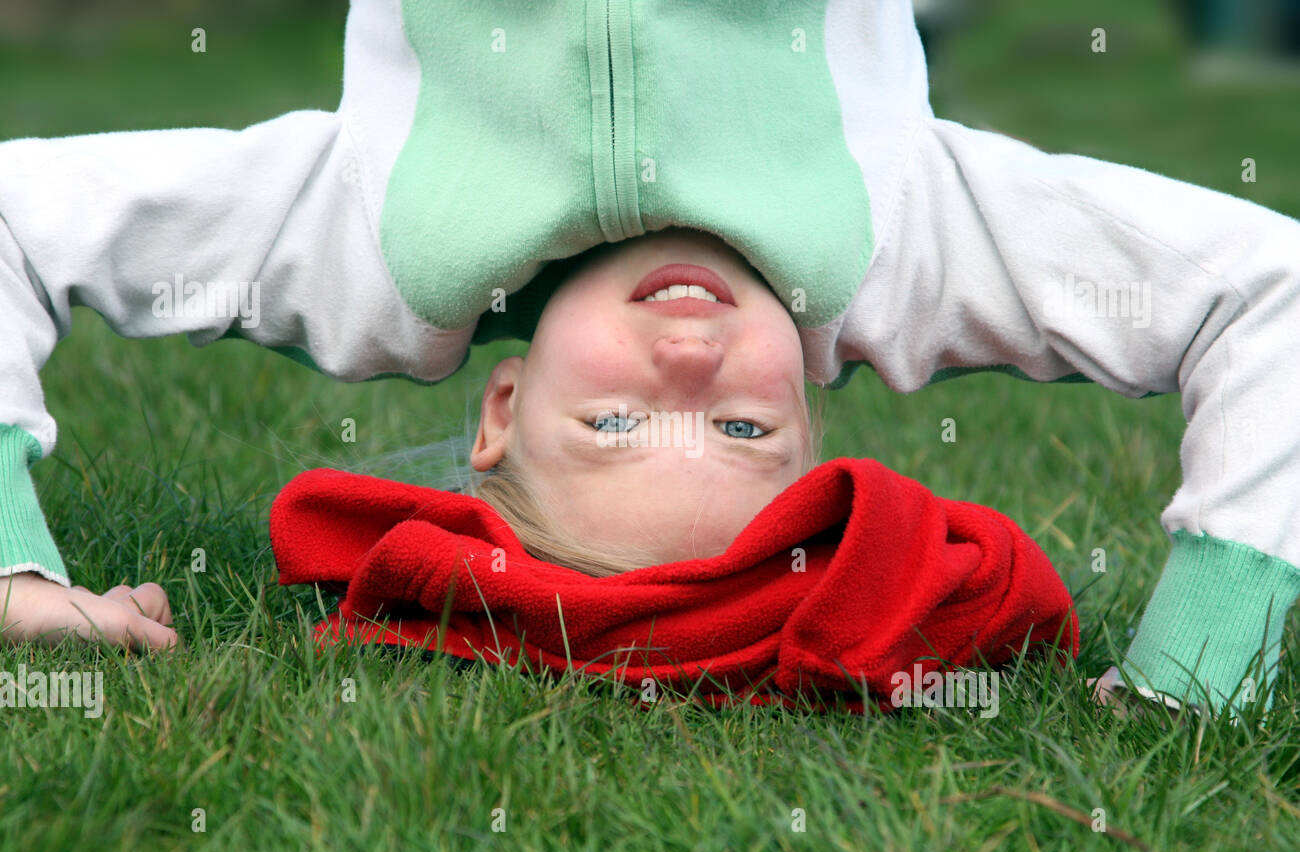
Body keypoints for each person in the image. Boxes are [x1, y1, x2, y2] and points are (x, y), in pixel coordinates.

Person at [2, 0, 1297, 719]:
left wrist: (15, 563)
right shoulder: (904, 236)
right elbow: (1271, 291)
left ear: (502, 408)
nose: (688, 364)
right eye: (746, 435)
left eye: (611, 425)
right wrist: (1191, 679)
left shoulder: (362, 238)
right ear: (806, 420)